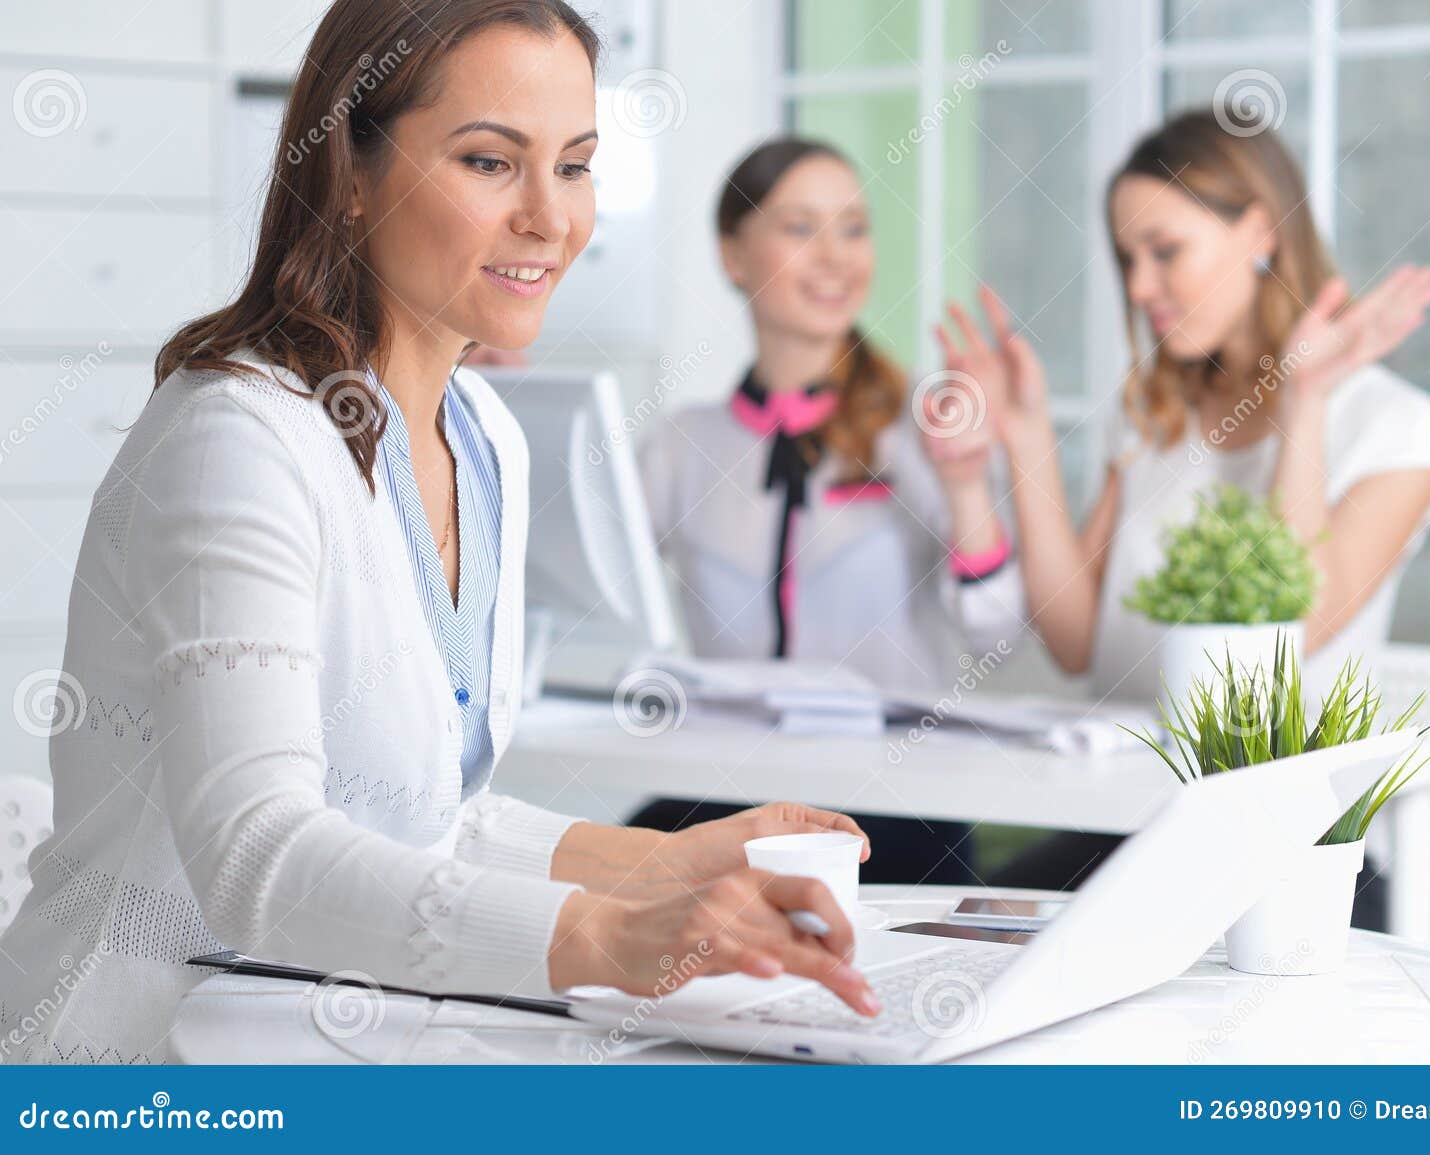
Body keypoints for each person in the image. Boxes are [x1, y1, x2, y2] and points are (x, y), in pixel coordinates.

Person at [0, 0, 882, 1066]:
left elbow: (417, 818)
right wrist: (601, 935)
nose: (551, 220)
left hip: (331, 1040)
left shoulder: (486, 439)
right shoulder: (240, 438)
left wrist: (662, 866)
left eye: (575, 165)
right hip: (128, 1067)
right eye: (487, 161)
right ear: (351, 172)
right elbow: (255, 854)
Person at [979, 111, 1430, 924]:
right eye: (1128, 259)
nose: (1138, 288)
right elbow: (1073, 641)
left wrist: (1302, 404)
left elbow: (1294, 625)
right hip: (1129, 831)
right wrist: (1024, 436)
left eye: (1164, 252)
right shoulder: (1152, 419)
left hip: (1297, 863)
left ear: (1259, 229)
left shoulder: (1395, 428)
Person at [628, 137, 1028, 884]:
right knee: (591, 889)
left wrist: (968, 481)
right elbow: (588, 600)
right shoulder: (680, 446)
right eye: (800, 227)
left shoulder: (928, 426)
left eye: (853, 228)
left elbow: (997, 629)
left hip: (897, 814)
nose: (836, 257)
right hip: (728, 804)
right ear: (733, 254)